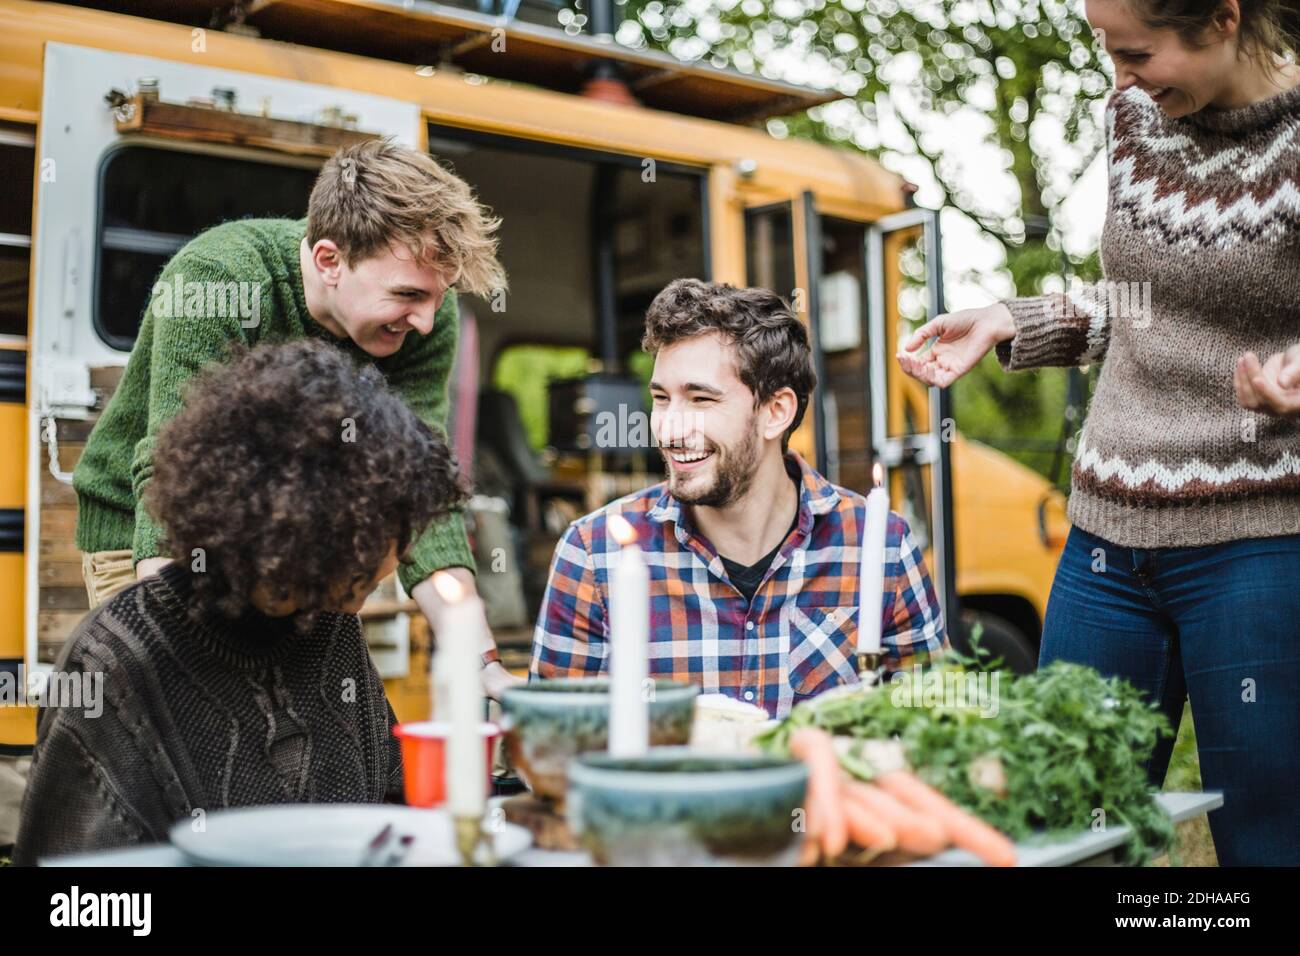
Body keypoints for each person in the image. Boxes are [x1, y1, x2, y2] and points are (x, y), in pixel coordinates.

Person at [897, 0, 1300, 865]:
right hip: (1108, 539)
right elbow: (1142, 307)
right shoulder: (1135, 116)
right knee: (1063, 826)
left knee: (1268, 837)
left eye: (1137, 52)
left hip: (1259, 536)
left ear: (1223, 19)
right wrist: (1013, 318)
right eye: (1106, 51)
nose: (1119, 78)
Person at [14, 340, 465, 863]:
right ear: (311, 524)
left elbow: (393, 809)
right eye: (391, 527)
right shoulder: (112, 663)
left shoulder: (330, 627)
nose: (403, 554)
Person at [532, 279, 947, 718]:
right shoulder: (593, 554)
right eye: (661, 399)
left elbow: (940, 734)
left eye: (700, 399)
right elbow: (553, 749)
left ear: (775, 412)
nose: (670, 429)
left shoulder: (880, 546)